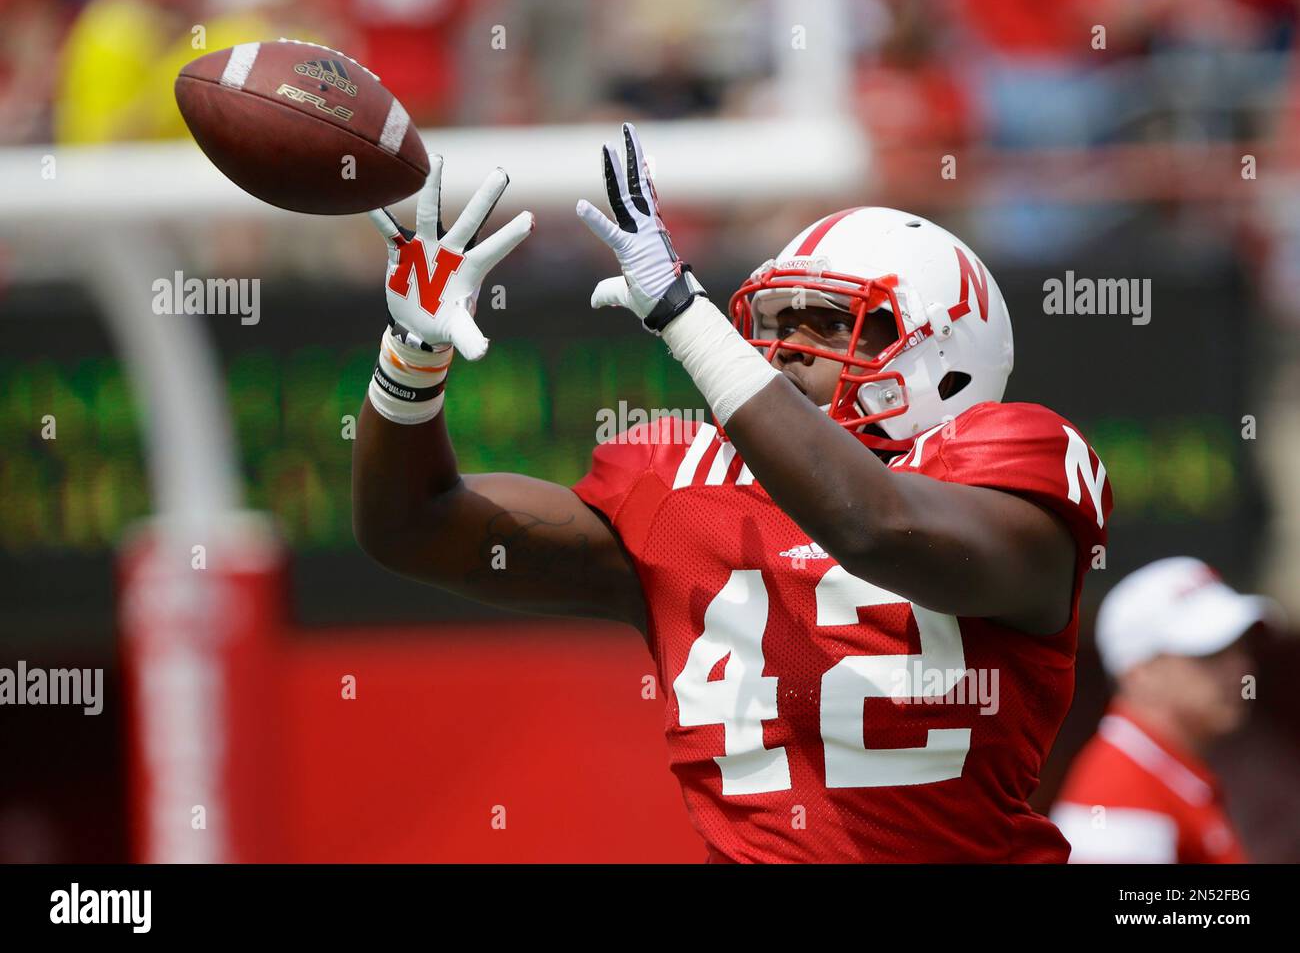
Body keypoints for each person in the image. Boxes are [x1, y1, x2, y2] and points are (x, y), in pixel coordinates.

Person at [352, 123, 1113, 862]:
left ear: (945, 350)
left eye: (830, 324)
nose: (788, 352)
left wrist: (684, 315)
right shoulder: (681, 486)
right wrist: (412, 357)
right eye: (776, 323)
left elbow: (874, 526)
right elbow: (416, 528)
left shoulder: (1006, 460)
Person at [1052, 556, 1276, 863]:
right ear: (1138, 673)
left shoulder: (1160, 771)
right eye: (1208, 652)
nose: (1241, 668)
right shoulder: (1119, 791)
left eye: (1239, 647)